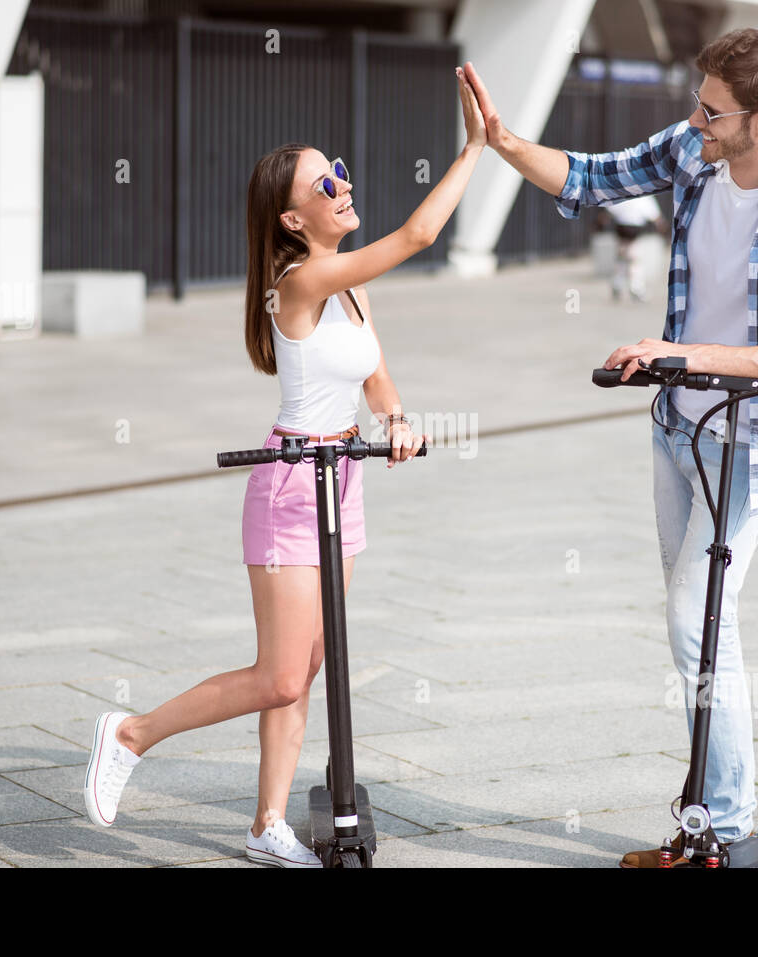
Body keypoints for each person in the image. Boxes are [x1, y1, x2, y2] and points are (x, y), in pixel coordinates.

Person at [463, 27, 758, 867]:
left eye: (712, 111)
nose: (693, 120)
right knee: (701, 628)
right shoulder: (692, 153)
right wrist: (504, 143)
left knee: (697, 620)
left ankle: (724, 825)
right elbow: (595, 178)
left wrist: (686, 356)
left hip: (745, 443)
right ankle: (707, 821)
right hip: (676, 428)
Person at [83, 68, 489, 867]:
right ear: (293, 218)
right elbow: (417, 238)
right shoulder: (300, 280)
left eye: (338, 170)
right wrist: (476, 147)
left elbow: (376, 375)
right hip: (289, 487)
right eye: (322, 183)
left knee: (306, 666)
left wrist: (397, 420)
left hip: (345, 477)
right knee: (277, 674)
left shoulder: (350, 289)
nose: (341, 184)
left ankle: (266, 823)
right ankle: (130, 733)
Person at [604, 193, 666, 302]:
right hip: (632, 230)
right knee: (634, 260)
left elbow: (610, 211)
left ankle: (618, 284)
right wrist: (662, 227)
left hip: (623, 230)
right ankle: (635, 288)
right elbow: (655, 215)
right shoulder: (644, 196)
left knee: (623, 258)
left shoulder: (623, 192)